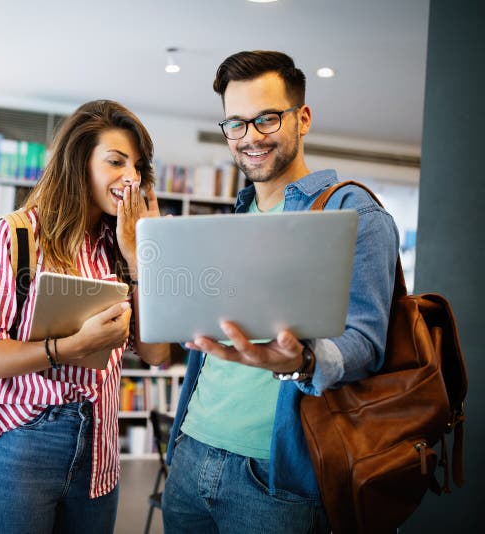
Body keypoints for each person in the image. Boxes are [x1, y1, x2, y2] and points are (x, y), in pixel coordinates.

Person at [161, 51, 400, 533]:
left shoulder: (357, 216)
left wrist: (303, 360)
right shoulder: (235, 216)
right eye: (236, 123)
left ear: (302, 118)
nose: (250, 136)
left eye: (266, 118)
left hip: (276, 478)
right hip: (191, 453)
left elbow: (367, 343)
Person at [0, 100, 170, 534]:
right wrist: (72, 348)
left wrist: (137, 257)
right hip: (22, 443)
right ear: (79, 162)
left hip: (100, 451)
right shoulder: (19, 234)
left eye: (138, 167)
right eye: (115, 161)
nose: (131, 178)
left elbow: (155, 352)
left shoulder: (120, 247)